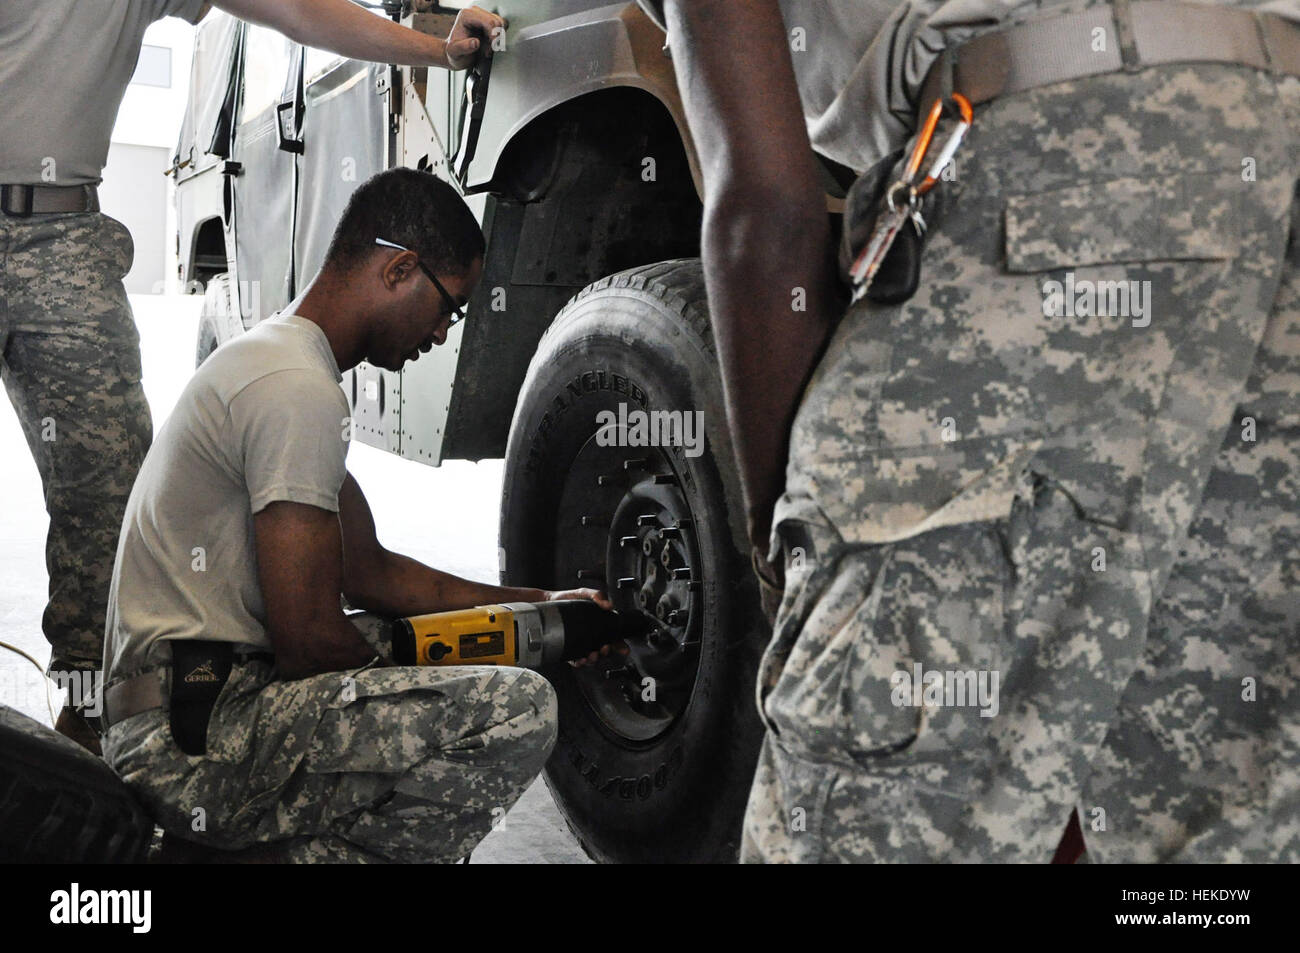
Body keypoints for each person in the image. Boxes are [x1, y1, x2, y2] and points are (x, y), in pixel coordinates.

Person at [645, 0, 1300, 862]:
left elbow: (763, 209)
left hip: (1064, 150)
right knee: (1217, 815)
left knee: (857, 808)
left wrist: (793, 552)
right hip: (1281, 158)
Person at [0, 0, 505, 753]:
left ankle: (85, 754)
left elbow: (298, 10)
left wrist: (436, 45)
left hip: (62, 239)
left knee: (104, 508)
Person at [98, 168, 609, 863]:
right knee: (514, 708)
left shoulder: (281, 362)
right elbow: (308, 640)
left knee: (409, 650)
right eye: (448, 308)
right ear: (400, 267)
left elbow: (376, 575)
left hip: (191, 712)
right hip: (191, 739)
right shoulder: (296, 388)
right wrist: (423, 670)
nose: (441, 333)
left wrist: (542, 607)